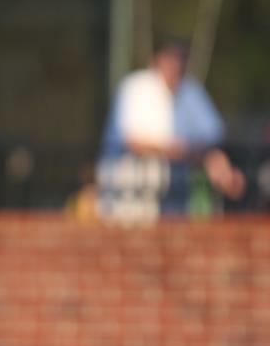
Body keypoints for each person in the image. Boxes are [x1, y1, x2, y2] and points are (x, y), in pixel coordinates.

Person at [97, 37, 245, 220]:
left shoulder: (191, 90)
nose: (175, 65)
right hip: (129, 189)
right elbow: (133, 142)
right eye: (170, 59)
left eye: (180, 59)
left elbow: (213, 137)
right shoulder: (135, 87)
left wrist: (220, 168)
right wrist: (176, 150)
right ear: (156, 60)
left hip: (174, 191)